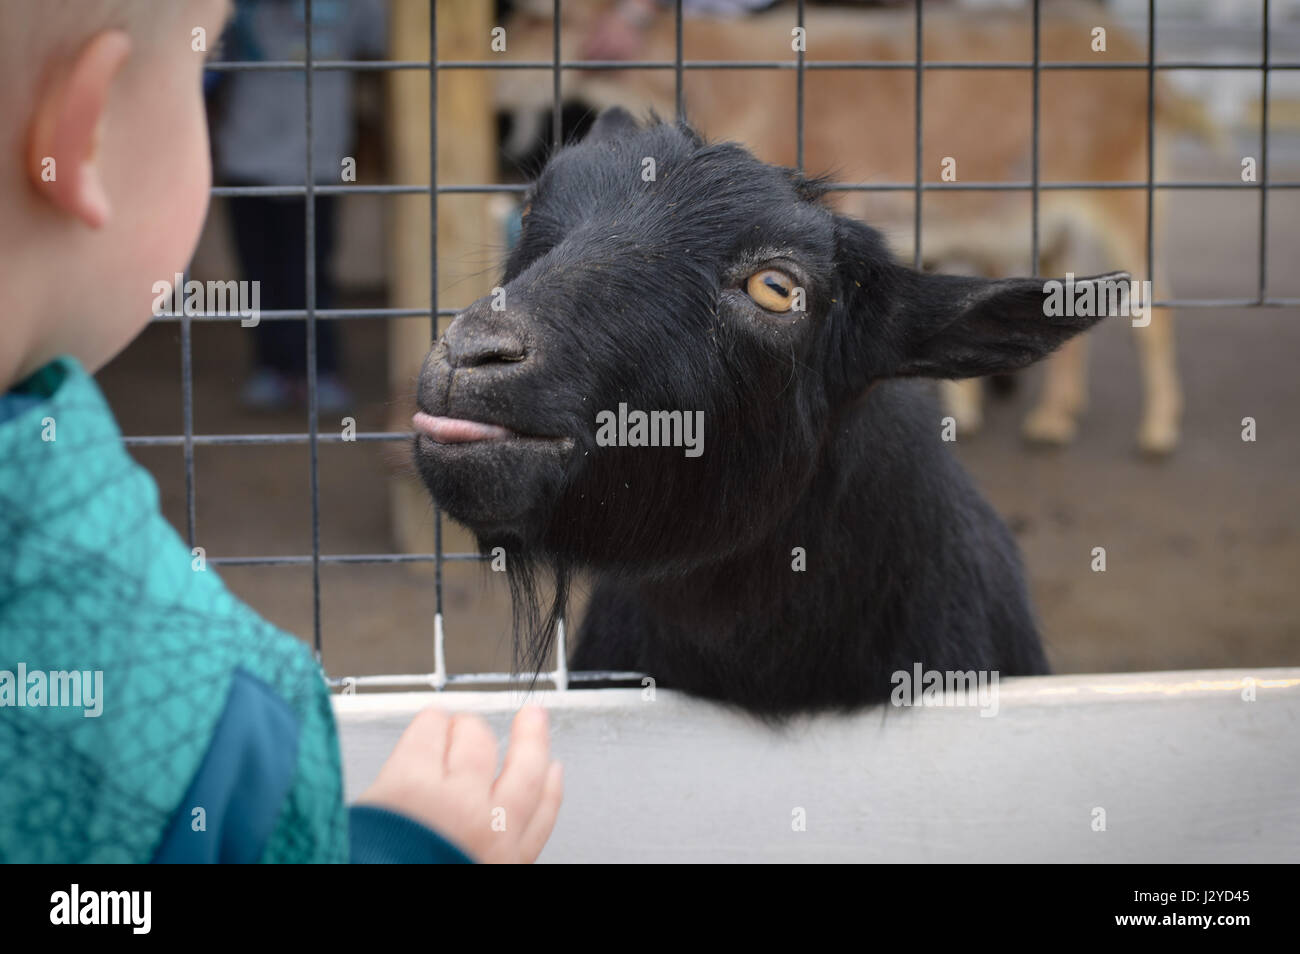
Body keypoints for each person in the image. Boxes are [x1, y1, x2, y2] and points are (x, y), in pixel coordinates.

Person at [0, 0, 562, 864]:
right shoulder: (208, 712)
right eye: (189, 74)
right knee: (276, 266)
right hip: (261, 164)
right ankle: (285, 362)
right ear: (90, 133)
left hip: (314, 165)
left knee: (313, 269)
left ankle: (313, 362)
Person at [210, 0, 386, 412]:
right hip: (246, 157)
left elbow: (392, 40)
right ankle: (272, 368)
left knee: (309, 273)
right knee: (257, 275)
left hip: (316, 163)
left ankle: (319, 370)